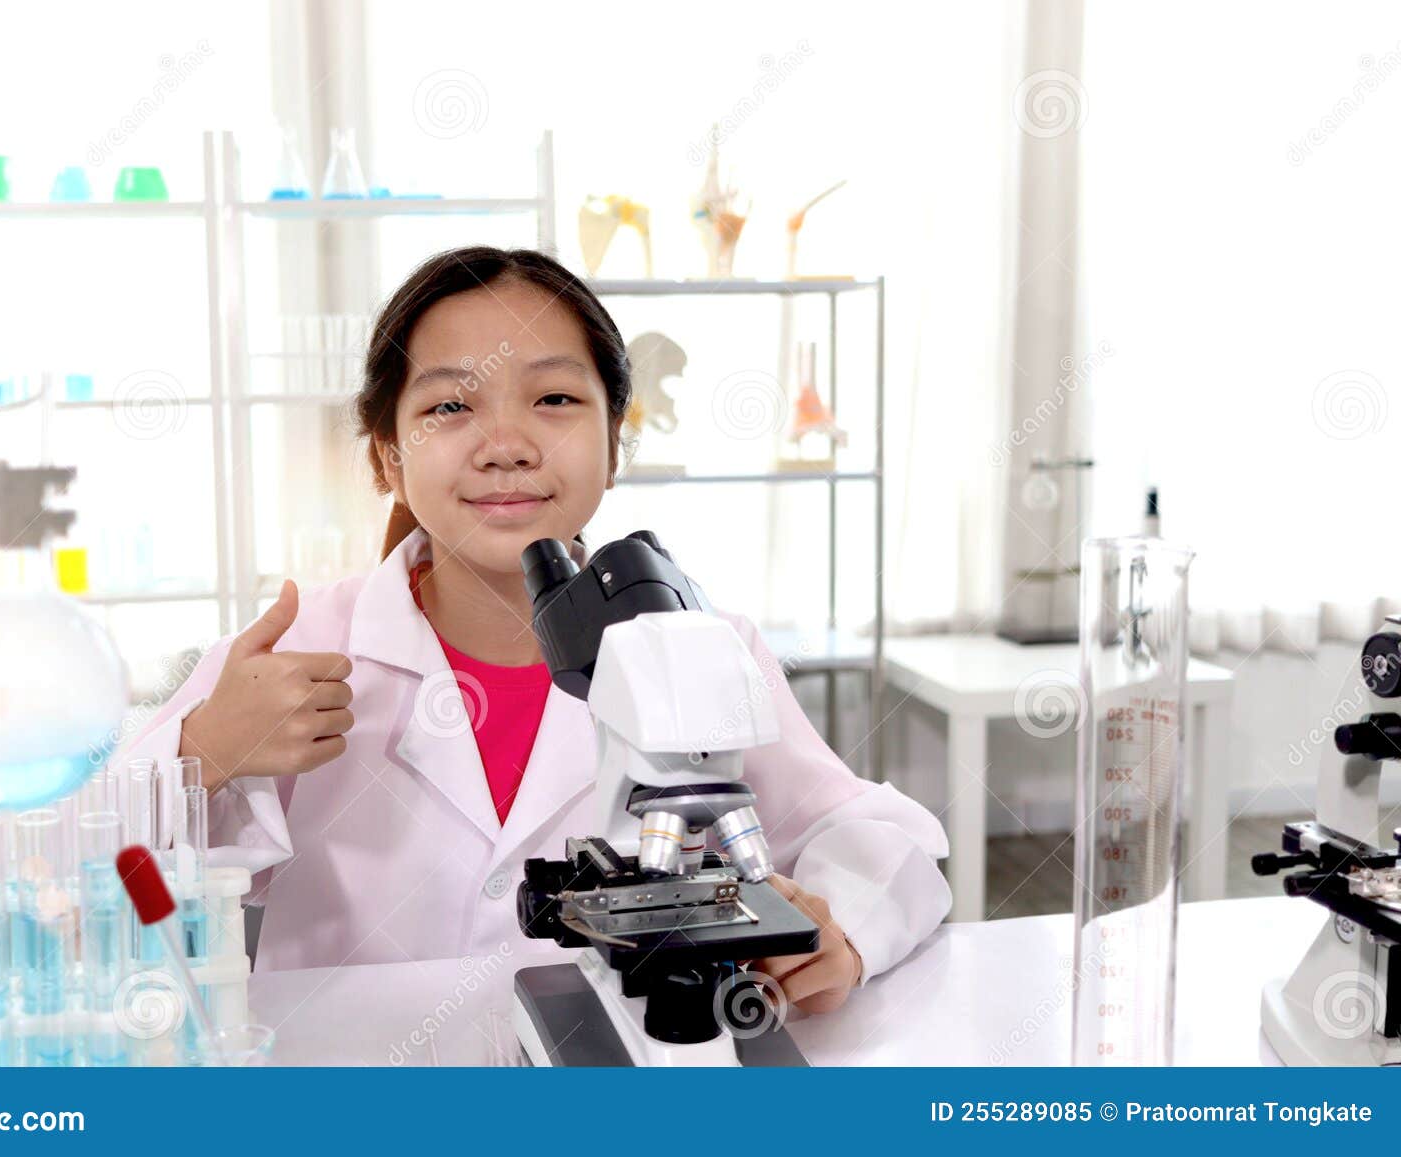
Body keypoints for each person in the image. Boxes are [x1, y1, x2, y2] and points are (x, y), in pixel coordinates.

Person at [117, 246, 951, 1017]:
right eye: (450, 404)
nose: (507, 445)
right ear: (386, 458)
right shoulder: (298, 649)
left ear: (615, 442)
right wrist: (204, 749)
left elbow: (880, 836)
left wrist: (842, 931)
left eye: (554, 398)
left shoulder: (698, 643)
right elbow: (67, 877)